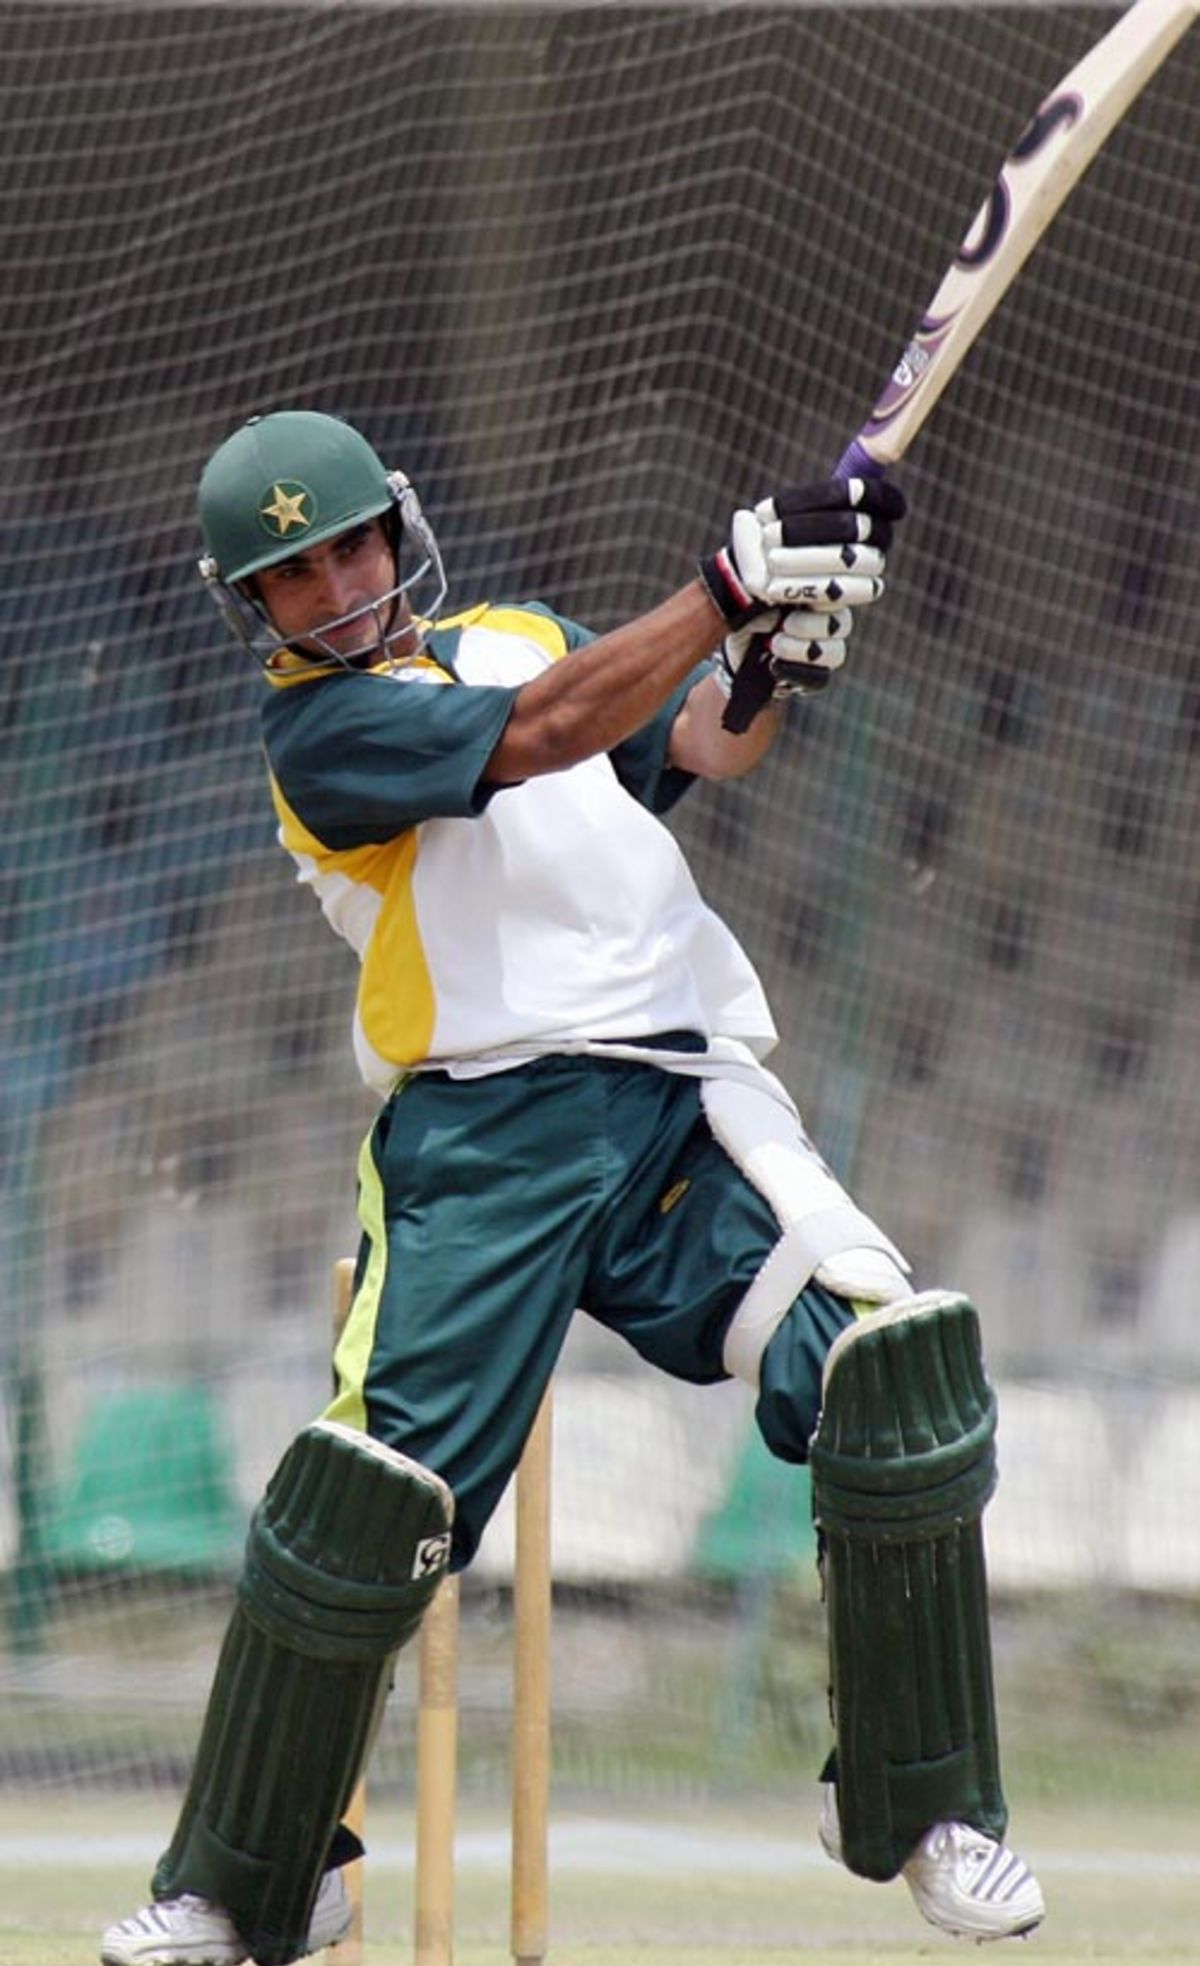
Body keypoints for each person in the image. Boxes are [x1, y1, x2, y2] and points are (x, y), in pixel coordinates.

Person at [101, 410, 1044, 1966]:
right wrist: (727, 590)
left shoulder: (524, 632)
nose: (334, 586)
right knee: (365, 1504)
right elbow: (539, 735)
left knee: (892, 1366)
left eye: (350, 543)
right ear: (248, 605)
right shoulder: (318, 736)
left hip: (682, 1094)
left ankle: (926, 1800)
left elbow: (694, 741)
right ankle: (251, 1875)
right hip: (481, 1139)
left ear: (397, 529)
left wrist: (771, 657)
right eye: (292, 573)